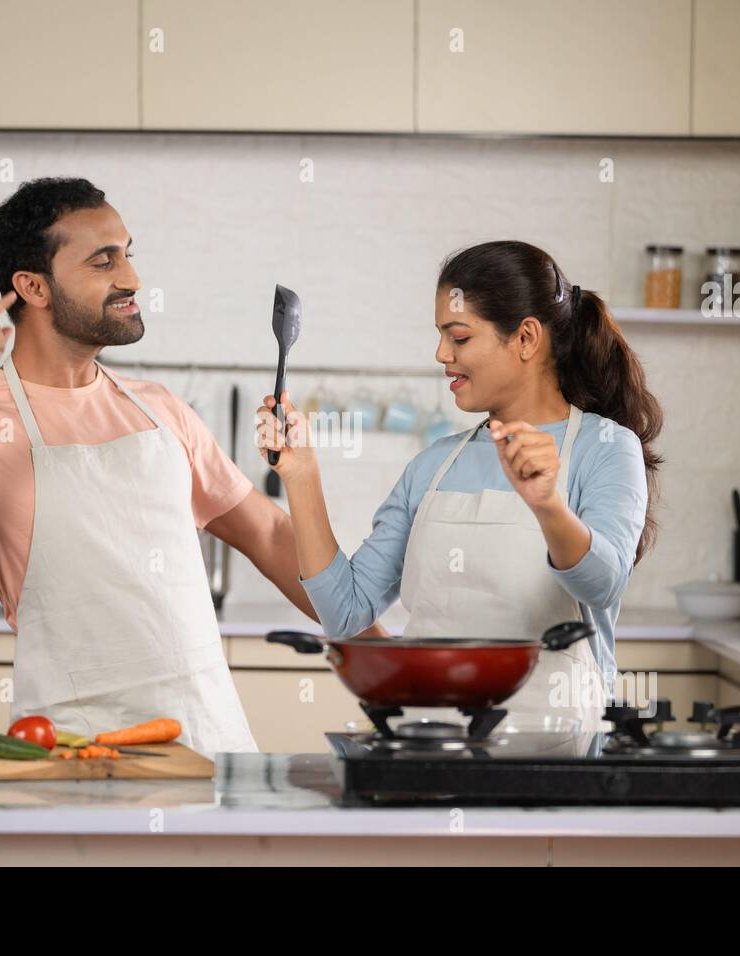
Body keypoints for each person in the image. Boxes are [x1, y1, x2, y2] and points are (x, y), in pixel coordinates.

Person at [0, 177, 378, 756]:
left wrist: (384, 654)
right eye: (103, 262)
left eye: (128, 255)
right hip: (67, 758)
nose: (132, 278)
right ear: (33, 286)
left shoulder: (161, 411)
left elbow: (270, 534)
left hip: (207, 747)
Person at [256, 240, 663, 730]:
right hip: (433, 739)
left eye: (460, 337)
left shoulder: (605, 447)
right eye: (441, 336)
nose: (441, 353)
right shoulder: (435, 464)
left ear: (527, 338)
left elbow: (602, 584)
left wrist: (548, 505)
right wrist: (303, 475)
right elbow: (346, 611)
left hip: (557, 758)